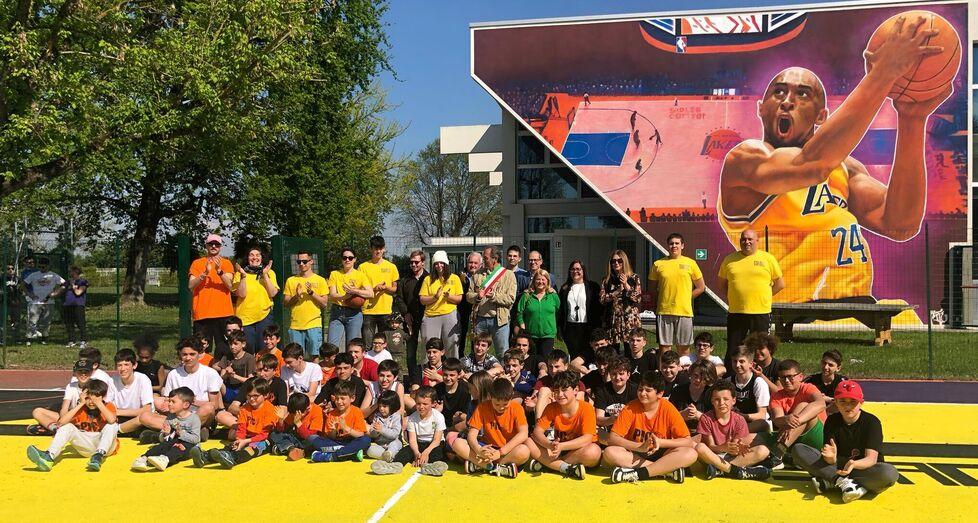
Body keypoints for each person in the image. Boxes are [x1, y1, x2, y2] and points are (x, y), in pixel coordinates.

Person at [718, 35, 952, 304]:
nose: (787, 101)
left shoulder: (846, 169)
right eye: (778, 92)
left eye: (802, 94)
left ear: (821, 117)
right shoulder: (746, 158)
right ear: (761, 108)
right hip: (790, 310)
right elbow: (811, 165)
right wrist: (884, 74)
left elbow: (901, 224)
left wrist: (913, 119)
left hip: (854, 305)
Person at [792, 380, 899, 503]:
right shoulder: (832, 421)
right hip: (838, 466)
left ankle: (833, 481)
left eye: (853, 402)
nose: (848, 406)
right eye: (842, 401)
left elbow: (871, 459)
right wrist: (830, 458)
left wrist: (853, 464)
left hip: (864, 469)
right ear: (836, 402)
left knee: (889, 473)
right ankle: (847, 484)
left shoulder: (872, 422)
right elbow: (831, 457)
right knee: (799, 450)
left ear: (861, 403)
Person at [603, 371, 697, 484]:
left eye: (648, 390)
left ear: (660, 393)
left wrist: (661, 442)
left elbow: (688, 441)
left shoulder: (668, 408)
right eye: (640, 389)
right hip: (636, 454)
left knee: (691, 453)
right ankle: (665, 471)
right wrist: (639, 447)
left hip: (663, 454)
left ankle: (638, 474)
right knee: (609, 452)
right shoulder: (630, 408)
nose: (642, 393)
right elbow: (613, 438)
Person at [718, 229, 785, 365]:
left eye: (750, 239)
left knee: (760, 348)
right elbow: (722, 284)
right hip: (737, 312)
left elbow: (780, 284)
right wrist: (734, 297)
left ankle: (761, 375)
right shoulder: (729, 260)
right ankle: (731, 377)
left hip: (760, 311)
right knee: (734, 347)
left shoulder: (768, 259)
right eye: (743, 239)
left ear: (757, 241)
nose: (746, 242)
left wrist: (764, 296)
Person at [26, 379, 119, 472]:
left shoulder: (108, 406)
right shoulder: (81, 408)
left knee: (112, 426)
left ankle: (98, 456)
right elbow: (61, 422)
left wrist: (99, 403)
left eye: (94, 399)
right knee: (67, 427)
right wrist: (81, 403)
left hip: (106, 447)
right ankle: (49, 456)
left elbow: (111, 420)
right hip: (87, 445)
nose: (91, 402)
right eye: (88, 398)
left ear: (102, 397)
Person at [138, 338, 221, 439]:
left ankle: (174, 432)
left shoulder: (210, 373)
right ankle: (190, 431)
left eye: (192, 354)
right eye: (184, 354)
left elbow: (214, 405)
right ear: (180, 355)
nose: (188, 358)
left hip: (198, 414)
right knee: (145, 415)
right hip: (177, 416)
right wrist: (166, 403)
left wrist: (190, 401)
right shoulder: (174, 374)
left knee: (208, 408)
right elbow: (167, 398)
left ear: (199, 354)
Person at [526, 371, 602, 479]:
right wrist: (549, 444)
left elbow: (587, 439)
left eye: (564, 390)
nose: (560, 394)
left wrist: (561, 446)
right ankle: (564, 467)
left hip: (578, 451)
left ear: (576, 390)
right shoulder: (551, 407)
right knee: (528, 441)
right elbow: (537, 432)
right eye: (556, 391)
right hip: (558, 449)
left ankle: (549, 465)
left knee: (593, 452)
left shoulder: (586, 408)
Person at [452, 378, 530, 478]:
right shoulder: (482, 407)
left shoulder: (517, 408)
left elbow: (523, 434)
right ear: (490, 397)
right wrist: (478, 449)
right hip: (487, 448)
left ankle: (481, 465)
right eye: (497, 404)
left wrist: (500, 452)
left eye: (505, 404)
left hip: (507, 449)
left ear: (511, 398)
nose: (501, 407)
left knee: (524, 451)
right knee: (457, 443)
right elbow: (472, 434)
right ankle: (496, 468)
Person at [191, 378, 278, 468]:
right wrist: (239, 439)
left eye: (255, 396)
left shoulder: (270, 410)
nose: (251, 399)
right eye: (249, 396)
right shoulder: (244, 409)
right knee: (232, 446)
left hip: (264, 440)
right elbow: (241, 427)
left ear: (265, 395)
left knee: (250, 450)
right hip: (246, 438)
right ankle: (205, 457)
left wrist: (246, 441)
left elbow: (264, 434)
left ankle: (232, 458)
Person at [694, 380, 772, 481]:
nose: (721, 403)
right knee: (700, 447)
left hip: (728, 458)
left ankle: (720, 470)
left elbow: (734, 450)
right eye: (717, 399)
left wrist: (738, 448)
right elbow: (711, 447)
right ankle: (738, 471)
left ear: (733, 401)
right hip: (712, 455)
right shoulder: (706, 418)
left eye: (726, 399)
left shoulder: (739, 420)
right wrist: (724, 447)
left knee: (763, 450)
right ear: (712, 401)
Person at [371, 386, 450, 477]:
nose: (421, 407)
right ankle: (395, 465)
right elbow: (412, 440)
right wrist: (417, 453)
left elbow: (437, 440)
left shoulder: (438, 417)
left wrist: (426, 453)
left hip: (433, 445)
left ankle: (432, 466)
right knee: (406, 450)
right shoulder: (412, 418)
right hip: (418, 444)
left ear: (433, 403)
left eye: (425, 404)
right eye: (418, 404)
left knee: (438, 452)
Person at [648, 233, 705, 353]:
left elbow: (701, 287)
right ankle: (665, 371)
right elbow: (652, 289)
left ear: (682, 246)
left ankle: (683, 372)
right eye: (671, 243)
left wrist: (685, 298)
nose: (674, 246)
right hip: (664, 311)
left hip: (684, 312)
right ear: (668, 246)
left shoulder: (691, 263)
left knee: (684, 349)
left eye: (677, 243)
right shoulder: (658, 264)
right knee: (664, 349)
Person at [769, 359, 827, 469]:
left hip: (819, 438)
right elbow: (777, 419)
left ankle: (777, 454)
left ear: (800, 377)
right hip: (793, 438)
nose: (786, 380)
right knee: (757, 436)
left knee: (803, 405)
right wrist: (787, 420)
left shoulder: (808, 388)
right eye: (782, 377)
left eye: (790, 376)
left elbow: (821, 404)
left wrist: (794, 421)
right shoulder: (776, 395)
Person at [188, 234, 240, 351]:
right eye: (211, 244)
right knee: (201, 349)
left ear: (220, 246)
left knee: (226, 347)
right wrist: (204, 274)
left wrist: (219, 271)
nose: (213, 246)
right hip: (202, 313)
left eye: (216, 244)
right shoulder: (197, 263)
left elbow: (230, 285)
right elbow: (191, 285)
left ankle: (223, 369)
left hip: (223, 312)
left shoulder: (226, 263)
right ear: (206, 245)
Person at [132, 387, 201, 471]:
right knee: (162, 446)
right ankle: (144, 458)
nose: (169, 404)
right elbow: (166, 439)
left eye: (173, 402)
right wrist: (166, 434)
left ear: (186, 404)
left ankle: (165, 459)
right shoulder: (170, 417)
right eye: (169, 401)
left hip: (190, 447)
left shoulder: (194, 418)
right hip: (174, 442)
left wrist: (181, 434)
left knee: (179, 447)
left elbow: (196, 439)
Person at [215, 354, 289, 429]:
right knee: (221, 415)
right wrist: (250, 415)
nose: (262, 374)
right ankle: (249, 430)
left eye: (266, 370)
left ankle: (246, 431)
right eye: (259, 370)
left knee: (233, 434)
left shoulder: (280, 384)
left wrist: (261, 416)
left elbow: (283, 410)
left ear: (274, 371)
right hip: (249, 419)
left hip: (268, 420)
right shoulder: (250, 382)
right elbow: (233, 407)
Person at [467, 246, 517, 355]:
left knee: (502, 353)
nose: (483, 261)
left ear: (495, 258)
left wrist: (494, 296)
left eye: (486, 258)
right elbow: (468, 296)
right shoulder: (477, 275)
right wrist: (477, 297)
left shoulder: (509, 275)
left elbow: (510, 299)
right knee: (478, 352)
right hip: (480, 319)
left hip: (499, 321)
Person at [310, 380, 371, 463]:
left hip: (352, 441)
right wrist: (333, 431)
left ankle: (332, 456)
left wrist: (347, 429)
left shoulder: (356, 411)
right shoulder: (332, 413)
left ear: (352, 398)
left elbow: (360, 434)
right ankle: (350, 453)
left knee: (365, 440)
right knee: (313, 439)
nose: (339, 402)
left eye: (342, 399)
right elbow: (331, 437)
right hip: (337, 443)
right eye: (337, 398)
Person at [232, 245, 279, 353]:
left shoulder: (270, 273)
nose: (255, 257)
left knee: (264, 350)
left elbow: (272, 293)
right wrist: (243, 276)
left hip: (264, 316)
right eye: (251, 255)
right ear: (247, 258)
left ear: (262, 258)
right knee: (247, 350)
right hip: (245, 318)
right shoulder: (239, 273)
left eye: (258, 255)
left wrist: (265, 275)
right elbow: (242, 294)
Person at [284, 251, 329, 359]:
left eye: (305, 261)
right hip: (296, 325)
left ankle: (314, 376)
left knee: (314, 356)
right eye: (299, 261)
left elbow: (324, 303)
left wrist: (312, 293)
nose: (301, 264)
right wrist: (296, 296)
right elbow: (286, 303)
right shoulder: (291, 280)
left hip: (313, 324)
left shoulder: (320, 280)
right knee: (296, 357)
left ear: (311, 261)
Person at [557, 259, 602, 366]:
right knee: (573, 354)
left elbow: (598, 308)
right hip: (570, 328)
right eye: (572, 269)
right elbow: (561, 310)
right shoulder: (565, 288)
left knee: (588, 354)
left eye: (578, 269)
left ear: (583, 271)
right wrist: (559, 329)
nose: (575, 271)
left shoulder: (592, 287)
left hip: (587, 327)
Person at [327, 247, 374, 349]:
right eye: (344, 258)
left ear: (355, 259)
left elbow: (371, 294)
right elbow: (332, 295)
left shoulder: (360, 275)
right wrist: (345, 296)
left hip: (354, 314)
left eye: (350, 258)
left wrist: (355, 291)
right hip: (337, 312)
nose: (347, 260)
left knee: (352, 347)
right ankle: (333, 365)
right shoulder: (335, 274)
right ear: (341, 259)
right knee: (331, 347)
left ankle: (350, 365)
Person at [419, 250, 463, 358]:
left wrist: (449, 297)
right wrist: (435, 297)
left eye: (441, 263)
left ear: (446, 264)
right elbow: (422, 299)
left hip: (449, 314)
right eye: (436, 263)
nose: (439, 265)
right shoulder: (428, 279)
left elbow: (459, 299)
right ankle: (428, 372)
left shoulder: (454, 278)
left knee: (451, 345)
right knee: (429, 346)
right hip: (431, 316)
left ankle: (452, 371)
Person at [393, 250, 428, 386]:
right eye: (411, 262)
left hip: (426, 318)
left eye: (417, 262)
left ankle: (425, 380)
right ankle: (414, 381)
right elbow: (399, 298)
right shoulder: (405, 280)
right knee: (410, 352)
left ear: (423, 263)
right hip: (410, 320)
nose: (413, 264)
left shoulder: (429, 278)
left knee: (426, 351)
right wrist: (406, 314)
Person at [359, 236, 400, 343]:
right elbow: (360, 290)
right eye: (375, 248)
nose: (378, 251)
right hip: (368, 311)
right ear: (370, 249)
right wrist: (374, 289)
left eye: (380, 248)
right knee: (367, 345)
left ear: (384, 249)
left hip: (386, 310)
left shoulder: (391, 267)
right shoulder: (363, 267)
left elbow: (395, 289)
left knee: (384, 344)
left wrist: (385, 287)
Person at [599, 250, 642, 348]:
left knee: (630, 348)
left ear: (624, 261)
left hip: (630, 320)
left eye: (619, 260)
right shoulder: (606, 280)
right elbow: (602, 300)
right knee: (613, 351)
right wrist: (617, 291)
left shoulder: (634, 278)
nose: (616, 263)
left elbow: (638, 298)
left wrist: (626, 285)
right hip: (612, 319)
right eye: (613, 261)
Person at [515, 269, 560, 357]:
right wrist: (522, 324)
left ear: (547, 281)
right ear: (534, 281)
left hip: (548, 335)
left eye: (543, 279)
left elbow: (558, 313)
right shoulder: (527, 295)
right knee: (532, 360)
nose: (540, 282)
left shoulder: (553, 296)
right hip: (531, 334)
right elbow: (519, 312)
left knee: (545, 360)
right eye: (538, 279)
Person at [726, 345, 771, 434]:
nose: (737, 365)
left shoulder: (758, 383)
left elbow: (762, 415)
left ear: (751, 363)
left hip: (754, 423)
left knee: (761, 423)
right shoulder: (728, 381)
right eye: (734, 361)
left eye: (741, 361)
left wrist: (742, 416)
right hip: (735, 422)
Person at [268, 393, 326, 461]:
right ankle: (291, 449)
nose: (293, 416)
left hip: (307, 441)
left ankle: (286, 449)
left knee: (314, 441)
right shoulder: (295, 410)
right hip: (295, 440)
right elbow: (281, 431)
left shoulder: (317, 411)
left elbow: (311, 437)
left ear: (307, 409)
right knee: (274, 434)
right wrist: (281, 420)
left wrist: (298, 423)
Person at [110, 349, 154, 436]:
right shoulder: (112, 381)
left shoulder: (142, 379)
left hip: (138, 418)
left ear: (134, 365)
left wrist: (118, 412)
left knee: (143, 419)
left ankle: (118, 431)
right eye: (119, 365)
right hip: (120, 418)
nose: (123, 369)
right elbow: (109, 408)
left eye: (126, 365)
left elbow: (146, 410)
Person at [593, 358, 638, 442]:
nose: (617, 377)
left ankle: (619, 443)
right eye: (614, 374)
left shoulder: (635, 390)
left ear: (628, 375)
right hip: (608, 429)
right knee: (594, 429)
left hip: (629, 429)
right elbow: (598, 419)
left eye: (621, 374)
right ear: (609, 374)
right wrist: (612, 419)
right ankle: (616, 443)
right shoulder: (602, 390)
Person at [21, 257, 64, 345]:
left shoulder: (54, 275)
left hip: (49, 302)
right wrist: (30, 294)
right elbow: (23, 285)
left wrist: (55, 293)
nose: (42, 269)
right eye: (40, 267)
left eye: (44, 267)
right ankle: (29, 338)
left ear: (48, 266)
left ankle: (44, 338)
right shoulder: (34, 275)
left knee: (46, 321)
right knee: (32, 321)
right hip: (35, 302)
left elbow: (64, 284)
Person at [670, 360, 720, 433]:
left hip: (705, 434)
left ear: (708, 379)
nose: (698, 380)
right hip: (680, 432)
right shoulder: (678, 391)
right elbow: (667, 417)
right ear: (691, 374)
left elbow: (719, 422)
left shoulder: (712, 394)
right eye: (695, 375)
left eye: (703, 378)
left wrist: (698, 415)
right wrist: (681, 415)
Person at [213, 330, 257, 405]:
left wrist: (234, 376)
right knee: (216, 381)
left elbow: (251, 381)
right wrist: (227, 373)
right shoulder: (227, 357)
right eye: (230, 344)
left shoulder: (250, 358)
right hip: (229, 389)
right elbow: (221, 378)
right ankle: (220, 407)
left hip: (244, 391)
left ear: (243, 344)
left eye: (236, 344)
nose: (232, 346)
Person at [365, 390, 404, 462]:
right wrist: (375, 431)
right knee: (370, 450)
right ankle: (388, 457)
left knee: (395, 444)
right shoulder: (377, 416)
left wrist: (382, 430)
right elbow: (373, 435)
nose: (381, 409)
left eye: (384, 406)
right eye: (380, 406)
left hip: (393, 442)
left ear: (392, 406)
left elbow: (395, 434)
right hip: (381, 445)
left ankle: (390, 454)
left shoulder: (396, 416)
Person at [435, 358, 471, 435]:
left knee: (465, 422)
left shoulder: (465, 390)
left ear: (458, 375)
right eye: (445, 375)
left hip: (457, 423)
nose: (448, 378)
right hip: (441, 423)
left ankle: (448, 432)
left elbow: (466, 414)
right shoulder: (437, 389)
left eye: (452, 375)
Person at [458, 251, 483, 359]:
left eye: (475, 263)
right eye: (470, 262)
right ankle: (460, 361)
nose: (472, 265)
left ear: (480, 265)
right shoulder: (460, 277)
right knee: (460, 339)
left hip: (479, 313)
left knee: (477, 340)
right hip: (463, 312)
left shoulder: (485, 277)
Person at [62, 266, 88, 348]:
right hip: (67, 305)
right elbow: (60, 289)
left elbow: (78, 292)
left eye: (72, 272)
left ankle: (84, 341)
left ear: (77, 273)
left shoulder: (83, 282)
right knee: (69, 324)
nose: (71, 274)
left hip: (78, 305)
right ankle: (71, 341)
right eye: (70, 272)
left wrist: (73, 286)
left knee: (81, 323)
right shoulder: (67, 282)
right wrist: (50, 295)